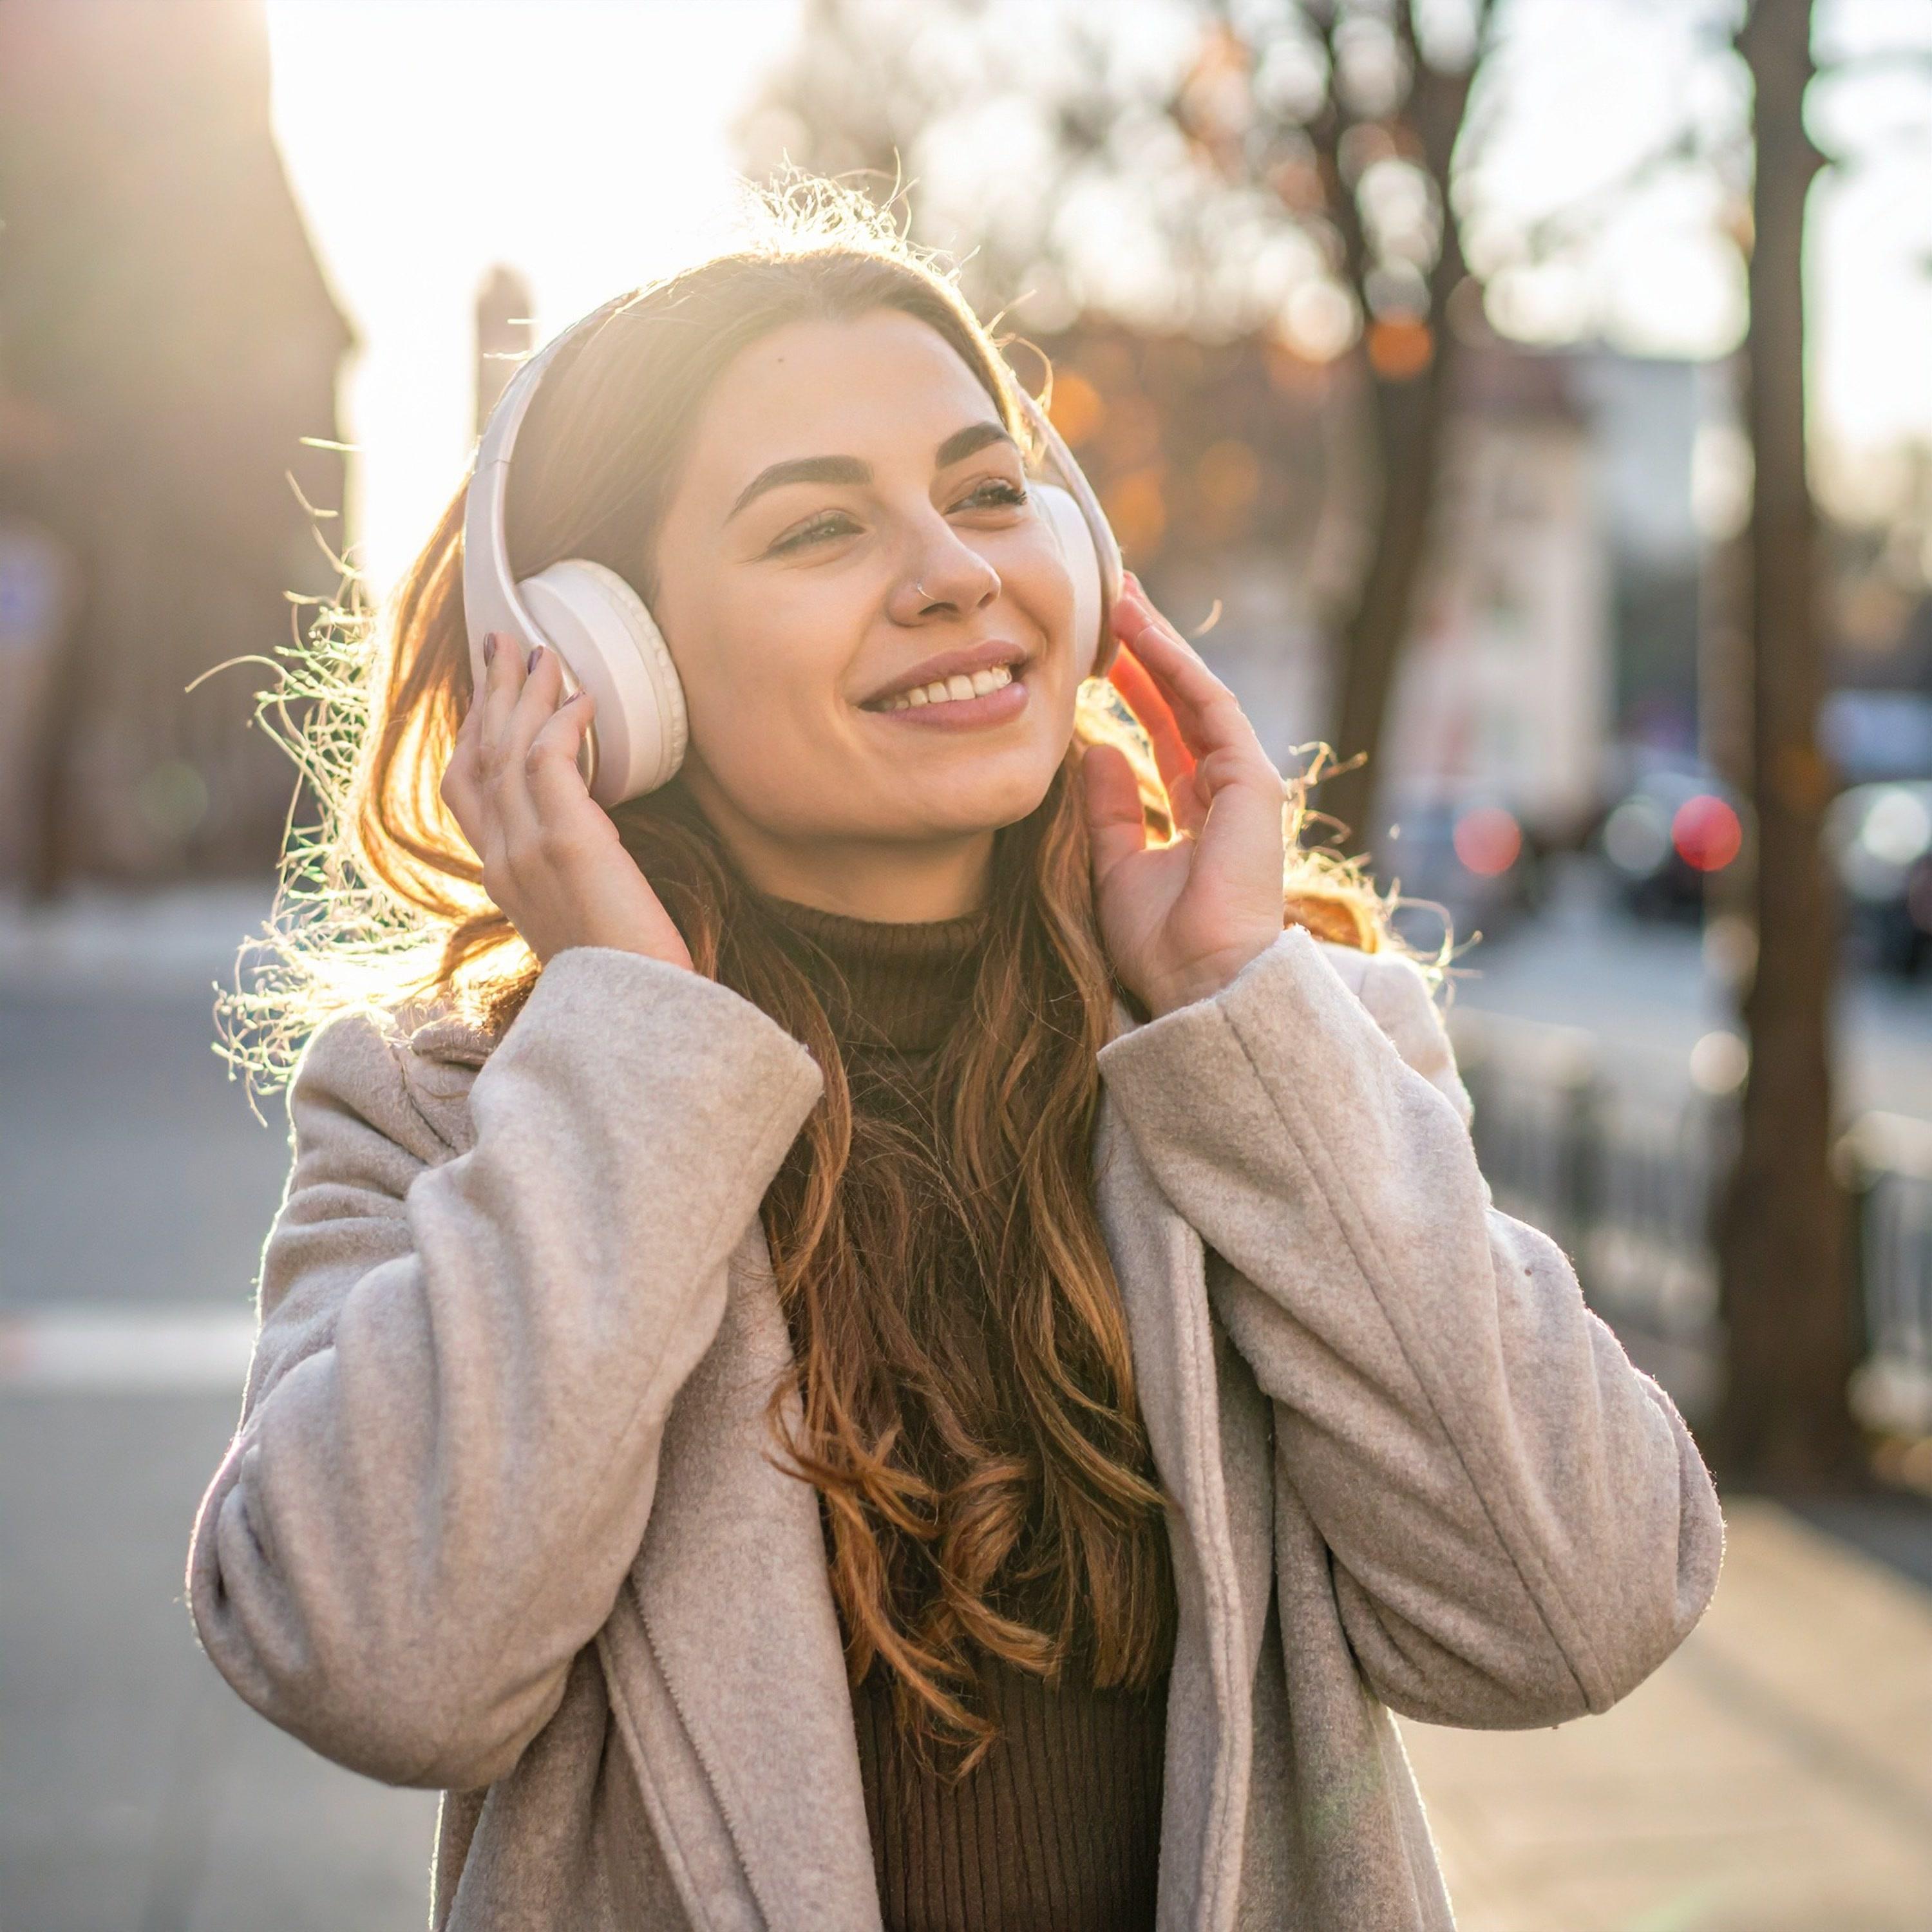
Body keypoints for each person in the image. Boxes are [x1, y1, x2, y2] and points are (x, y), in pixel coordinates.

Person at [187, 187, 1722, 1932]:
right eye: (818, 528)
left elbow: (1577, 1612)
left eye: (990, 494)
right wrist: (631, 1053)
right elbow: (383, 1666)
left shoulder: (1274, 1058)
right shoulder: (445, 1119)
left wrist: (1233, 1005)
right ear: (600, 663)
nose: (956, 572)